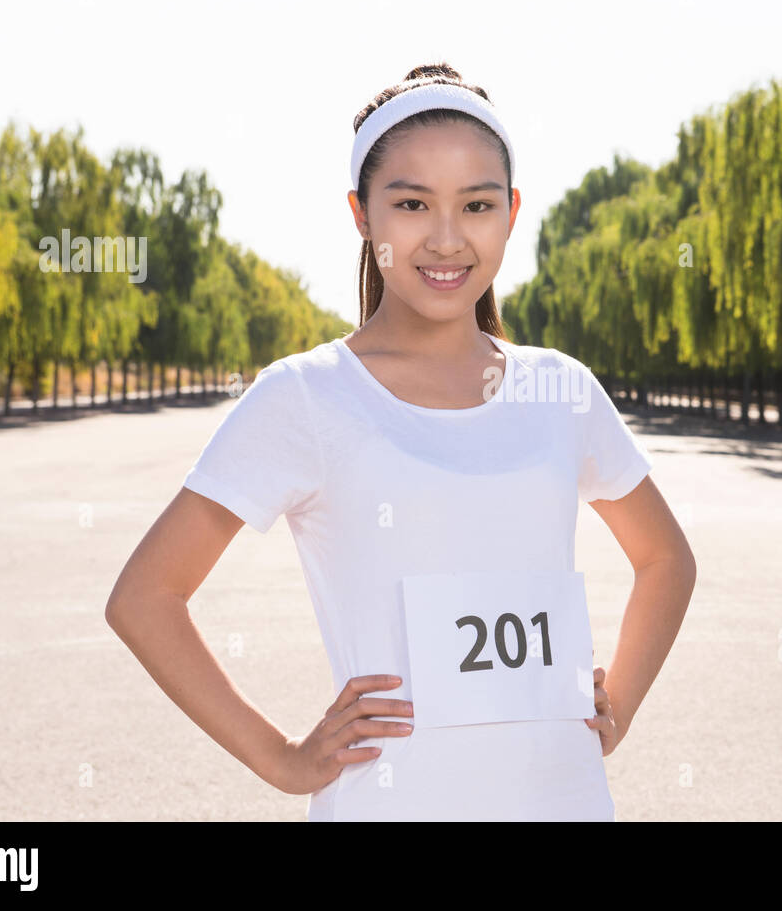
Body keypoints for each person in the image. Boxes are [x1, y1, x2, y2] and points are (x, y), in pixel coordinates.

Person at [105, 62, 697, 821]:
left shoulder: (562, 389)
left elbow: (666, 558)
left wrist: (620, 703)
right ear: (362, 214)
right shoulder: (307, 395)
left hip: (566, 802)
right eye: (412, 202)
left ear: (512, 212)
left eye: (477, 205)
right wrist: (284, 758)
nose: (447, 239)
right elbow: (145, 597)